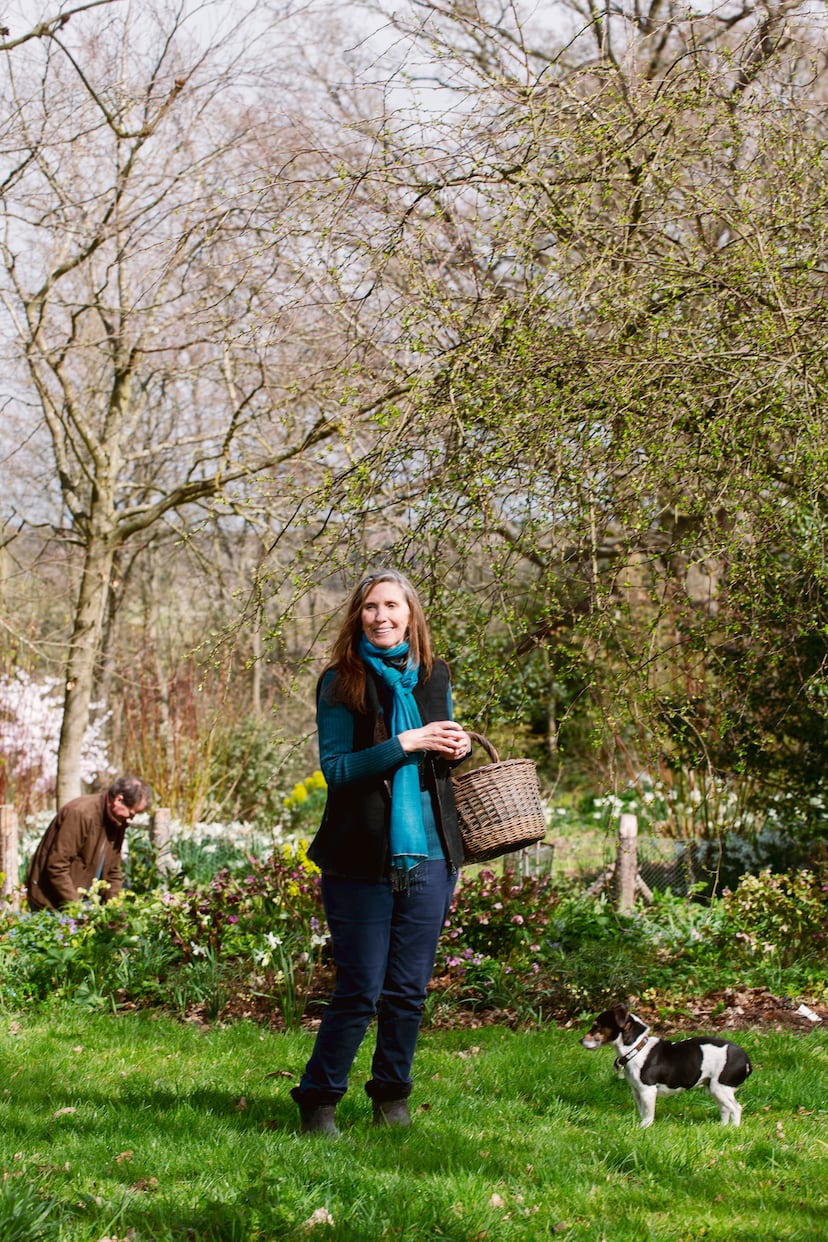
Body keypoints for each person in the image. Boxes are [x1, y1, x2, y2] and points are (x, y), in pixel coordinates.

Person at [290, 568, 472, 1136]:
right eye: (371, 607)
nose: (382, 616)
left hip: (430, 853)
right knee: (359, 990)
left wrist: (455, 747)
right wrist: (406, 743)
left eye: (392, 606)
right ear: (357, 616)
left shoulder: (434, 675)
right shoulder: (340, 681)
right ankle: (319, 1099)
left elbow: (436, 764)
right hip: (359, 857)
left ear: (411, 614)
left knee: (408, 992)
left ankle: (392, 1095)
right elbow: (338, 771)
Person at [26, 775, 152, 912]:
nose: (131, 817)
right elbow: (57, 865)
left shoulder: (117, 822)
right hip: (52, 902)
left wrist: (114, 908)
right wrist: (76, 907)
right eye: (132, 812)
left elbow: (112, 871)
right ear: (119, 800)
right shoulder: (81, 813)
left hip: (83, 900)